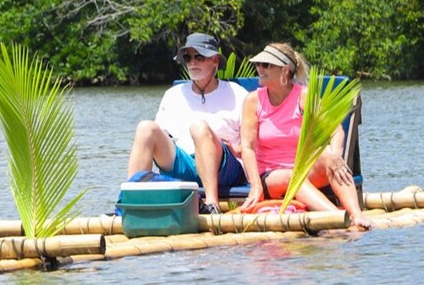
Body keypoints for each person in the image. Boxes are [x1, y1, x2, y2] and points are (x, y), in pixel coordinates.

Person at [235, 42, 370, 230]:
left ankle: (356, 214)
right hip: (271, 175)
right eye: (258, 64)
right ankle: (336, 218)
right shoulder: (253, 100)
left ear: (285, 70)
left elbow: (336, 130)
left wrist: (335, 155)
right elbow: (247, 147)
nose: (259, 68)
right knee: (292, 177)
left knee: (329, 155)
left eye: (266, 65)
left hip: (303, 167)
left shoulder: (304, 96)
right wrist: (256, 186)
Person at [123, 32, 247, 213]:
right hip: (185, 164)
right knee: (145, 128)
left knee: (199, 127)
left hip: (224, 167)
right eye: (188, 57)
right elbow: (162, 138)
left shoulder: (238, 93)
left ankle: (212, 205)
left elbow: (253, 144)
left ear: (214, 61)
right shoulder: (173, 95)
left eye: (199, 56)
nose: (192, 62)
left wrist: (236, 148)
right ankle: (130, 204)